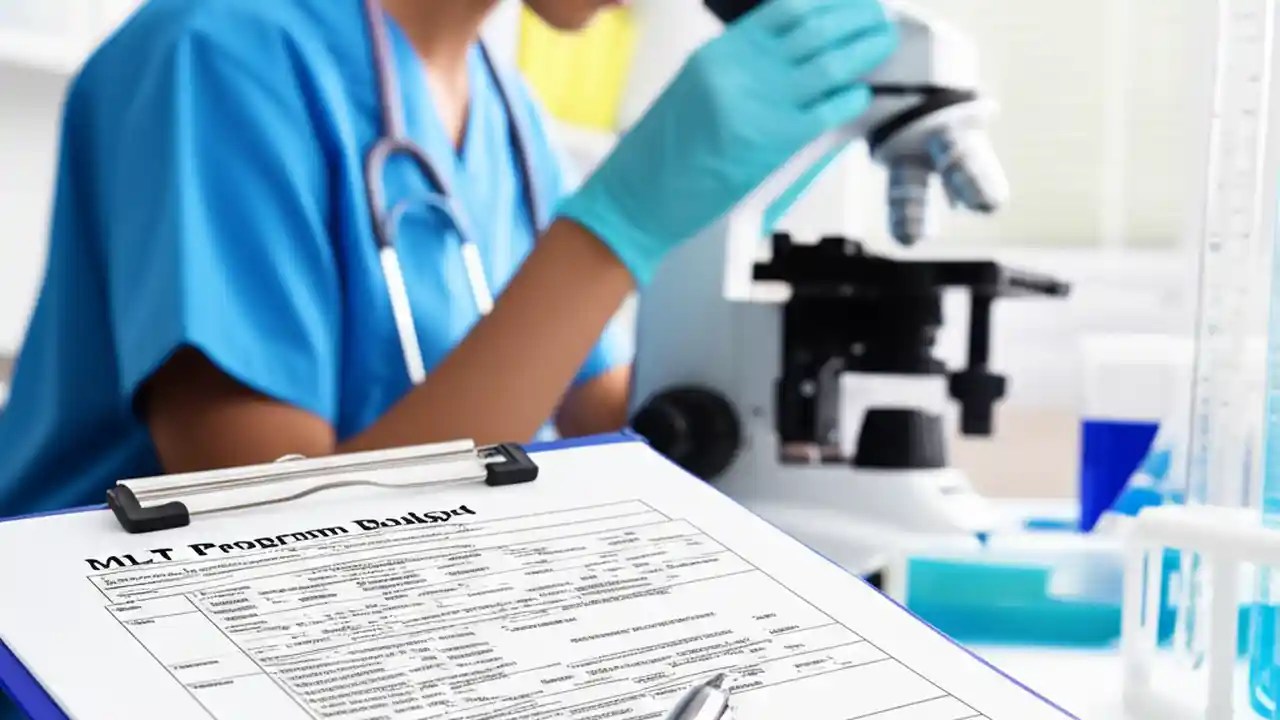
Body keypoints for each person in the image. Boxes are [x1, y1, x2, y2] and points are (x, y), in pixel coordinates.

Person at [0, 0, 896, 523]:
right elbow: (269, 525)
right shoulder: (213, 54)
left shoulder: (509, 112)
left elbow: (606, 414)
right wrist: (618, 229)